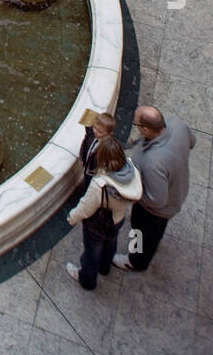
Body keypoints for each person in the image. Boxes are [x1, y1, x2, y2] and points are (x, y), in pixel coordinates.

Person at [113, 106, 195, 272]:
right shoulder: (178, 126)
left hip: (155, 211)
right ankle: (153, 242)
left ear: (145, 129)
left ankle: (135, 261)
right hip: (177, 191)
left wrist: (133, 194)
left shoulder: (153, 162)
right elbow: (192, 142)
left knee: (140, 229)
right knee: (155, 232)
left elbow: (157, 200)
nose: (135, 126)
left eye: (136, 123)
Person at [66, 136, 143, 289]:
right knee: (110, 243)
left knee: (91, 253)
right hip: (118, 219)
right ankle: (105, 267)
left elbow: (85, 208)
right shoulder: (132, 171)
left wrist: (72, 218)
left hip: (97, 223)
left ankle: (87, 280)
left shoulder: (100, 185)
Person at [79, 111, 116, 192]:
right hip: (87, 167)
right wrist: (82, 157)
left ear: (109, 134)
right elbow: (85, 144)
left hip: (95, 173)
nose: (95, 131)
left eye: (100, 131)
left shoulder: (108, 147)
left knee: (91, 186)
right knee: (86, 180)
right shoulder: (92, 135)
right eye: (94, 128)